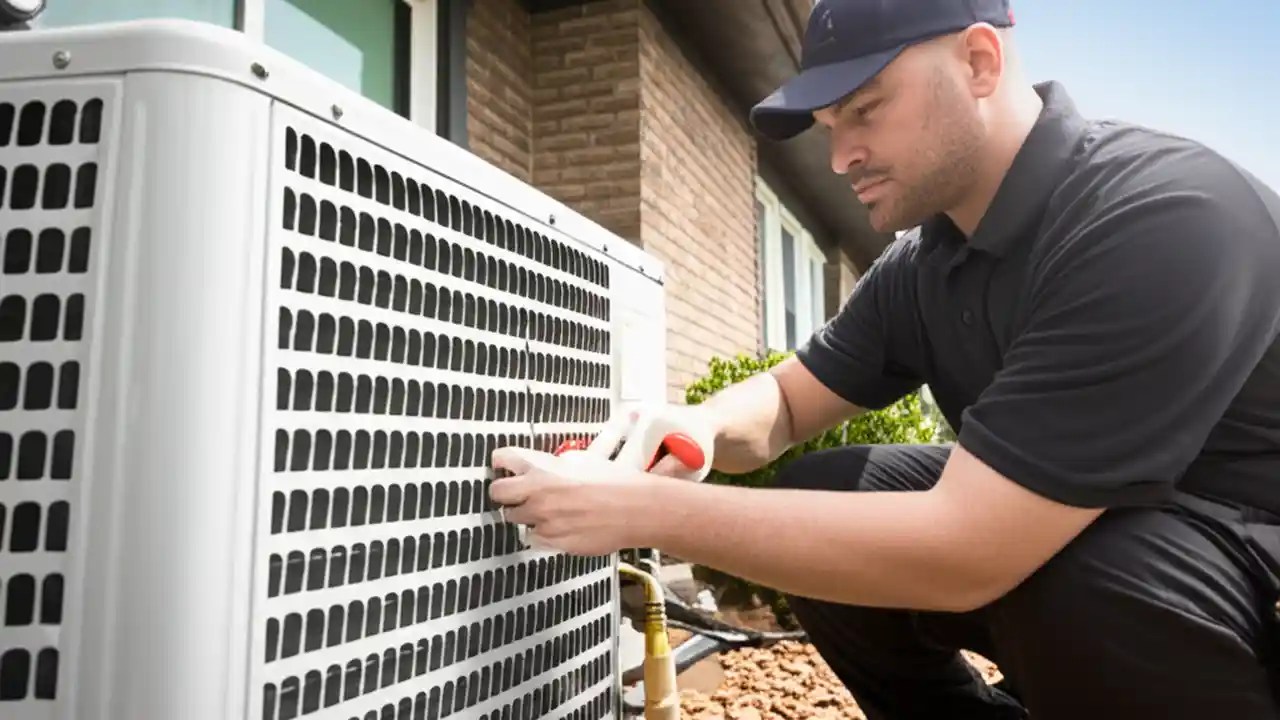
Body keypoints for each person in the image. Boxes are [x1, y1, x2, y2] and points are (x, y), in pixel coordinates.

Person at [489, 0, 1280, 717]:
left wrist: (639, 512)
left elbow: (969, 552)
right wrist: (695, 425)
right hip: (1117, 555)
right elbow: (791, 405)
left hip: (1241, 571)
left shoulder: (1160, 216)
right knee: (827, 486)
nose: (841, 157)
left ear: (979, 62)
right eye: (832, 124)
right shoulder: (930, 260)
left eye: (865, 110)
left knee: (1083, 568)